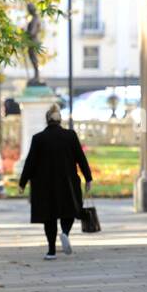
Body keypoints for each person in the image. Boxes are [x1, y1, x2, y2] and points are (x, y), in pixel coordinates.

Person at [18, 104, 93, 260]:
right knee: (70, 211)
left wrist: (22, 182)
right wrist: (88, 178)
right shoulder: (70, 136)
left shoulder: (38, 138)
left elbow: (30, 162)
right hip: (68, 181)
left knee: (49, 217)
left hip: (44, 185)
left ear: (47, 121)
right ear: (60, 121)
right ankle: (65, 232)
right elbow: (81, 158)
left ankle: (51, 251)